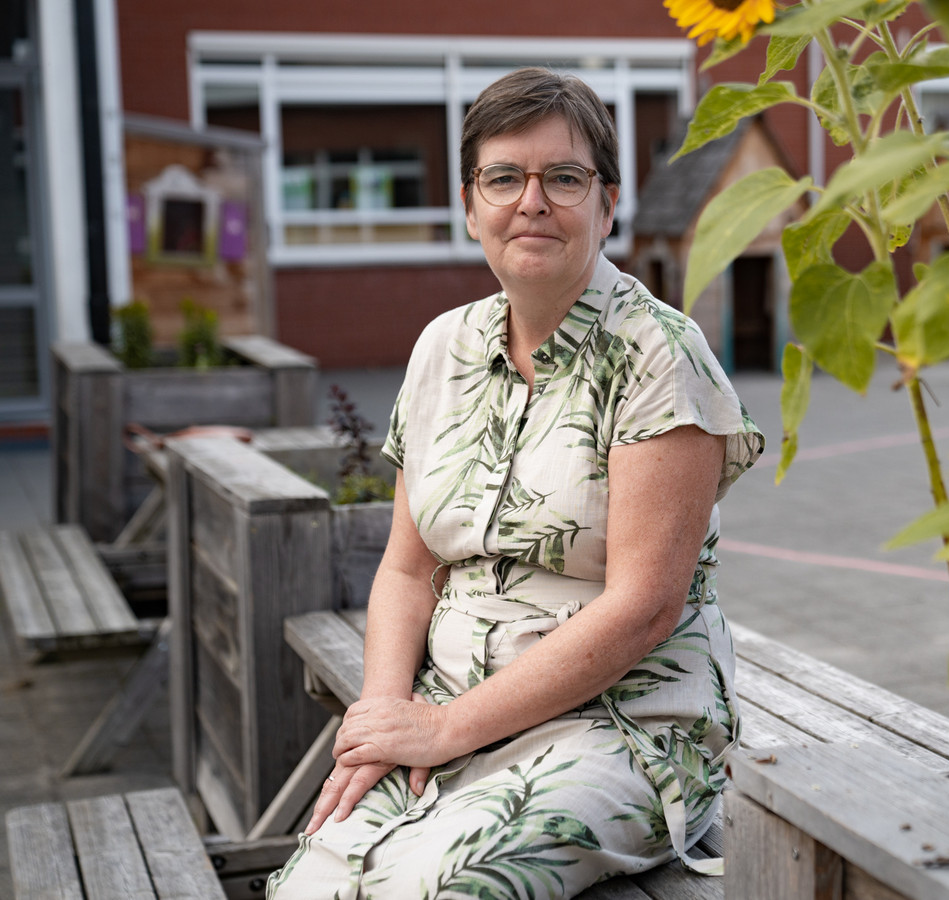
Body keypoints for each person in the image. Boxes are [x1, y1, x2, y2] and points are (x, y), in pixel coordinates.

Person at [267, 66, 763, 900]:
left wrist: (444, 729)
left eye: (563, 178)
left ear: (607, 204)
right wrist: (385, 719)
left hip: (616, 727)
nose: (531, 201)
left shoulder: (658, 354)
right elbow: (407, 569)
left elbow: (645, 606)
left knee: (442, 889)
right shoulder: (443, 348)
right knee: (310, 886)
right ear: (471, 206)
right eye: (503, 178)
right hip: (445, 705)